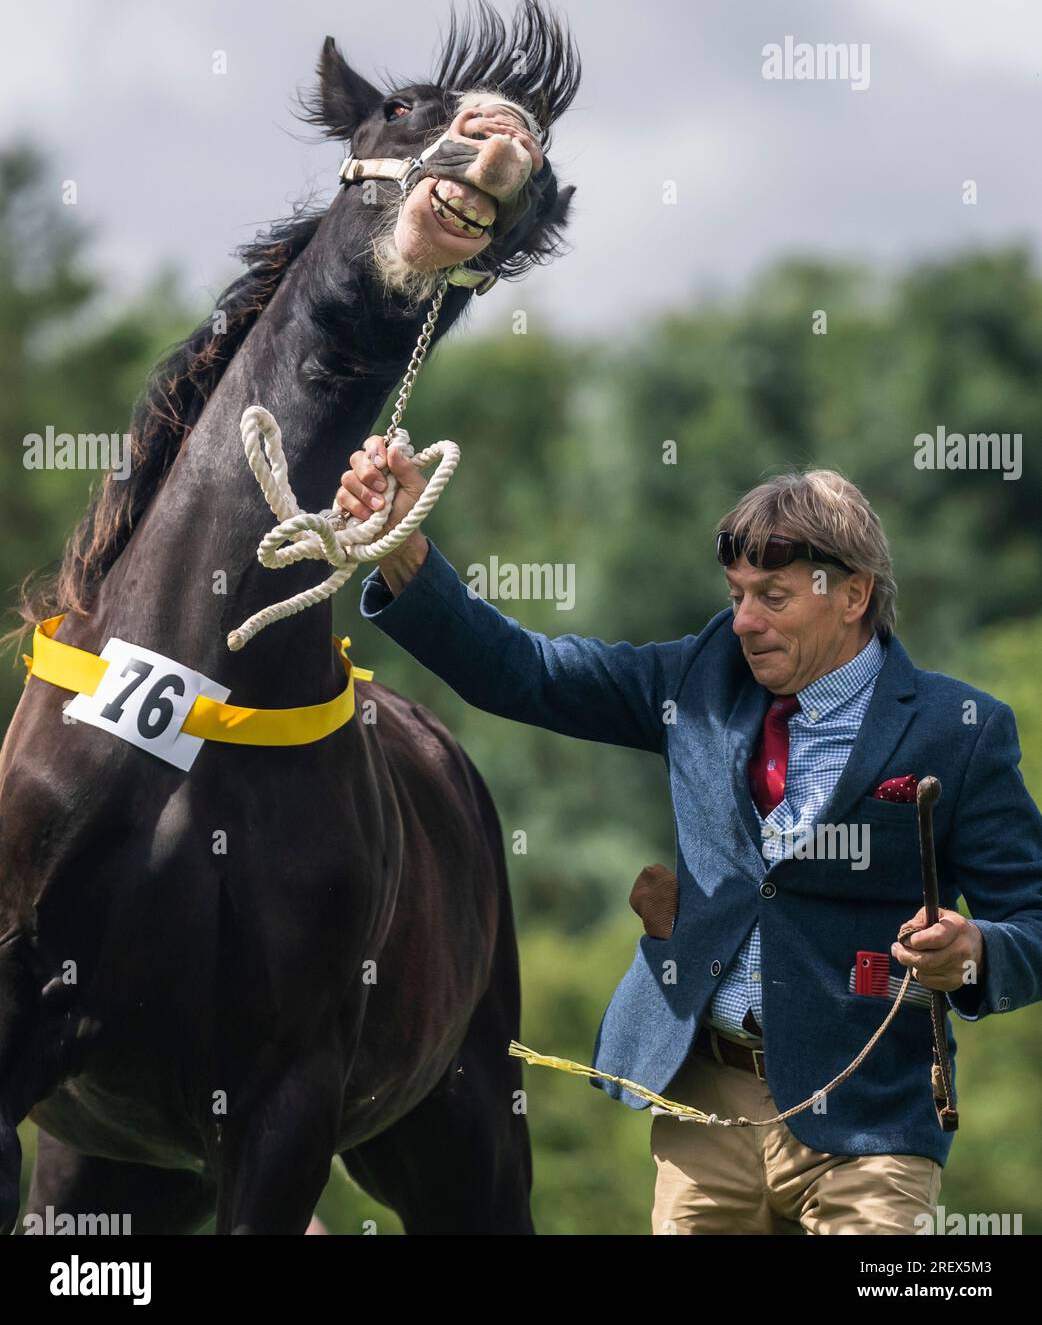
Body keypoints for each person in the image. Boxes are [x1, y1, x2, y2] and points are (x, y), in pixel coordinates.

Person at [339, 440, 1042, 1235]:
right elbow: (524, 671)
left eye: (772, 597)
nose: (743, 621)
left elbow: (1035, 920)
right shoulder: (696, 680)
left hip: (871, 1119)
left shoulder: (961, 731)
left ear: (852, 595)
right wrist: (405, 554)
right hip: (704, 1108)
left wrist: (974, 950)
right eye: (737, 593)